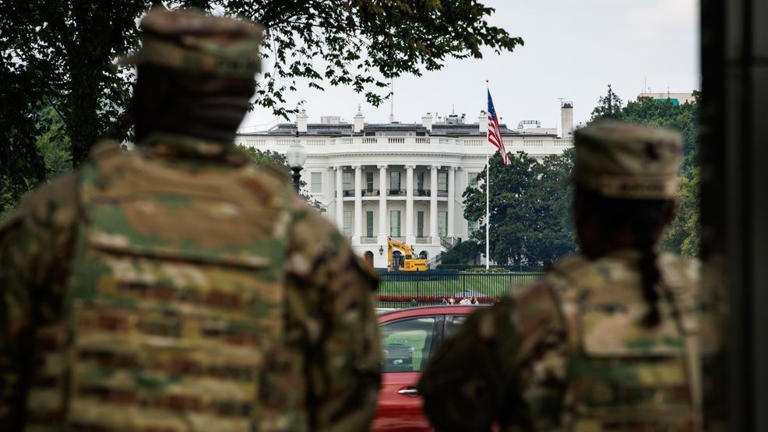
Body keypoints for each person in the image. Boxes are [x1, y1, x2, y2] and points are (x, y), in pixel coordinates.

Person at [0, 8, 381, 431]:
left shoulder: (58, 216)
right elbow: (346, 404)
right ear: (243, 99)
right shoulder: (309, 242)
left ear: (153, 89)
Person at [419, 121, 701, 431]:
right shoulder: (718, 299)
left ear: (579, 208)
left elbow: (446, 404)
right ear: (670, 213)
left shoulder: (529, 314)